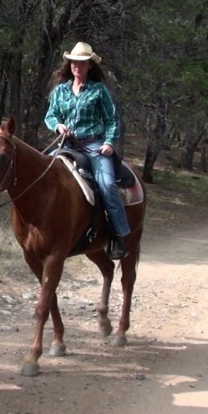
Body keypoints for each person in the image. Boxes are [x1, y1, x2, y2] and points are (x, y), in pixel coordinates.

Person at [43, 41, 131, 258]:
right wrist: (58, 126)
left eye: (82, 62)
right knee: (42, 172)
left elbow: (112, 120)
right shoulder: (60, 91)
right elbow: (51, 115)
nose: (77, 66)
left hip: (93, 146)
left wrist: (109, 143)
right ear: (69, 64)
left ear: (90, 65)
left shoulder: (99, 90)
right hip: (66, 144)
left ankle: (118, 235)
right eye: (74, 62)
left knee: (107, 185)